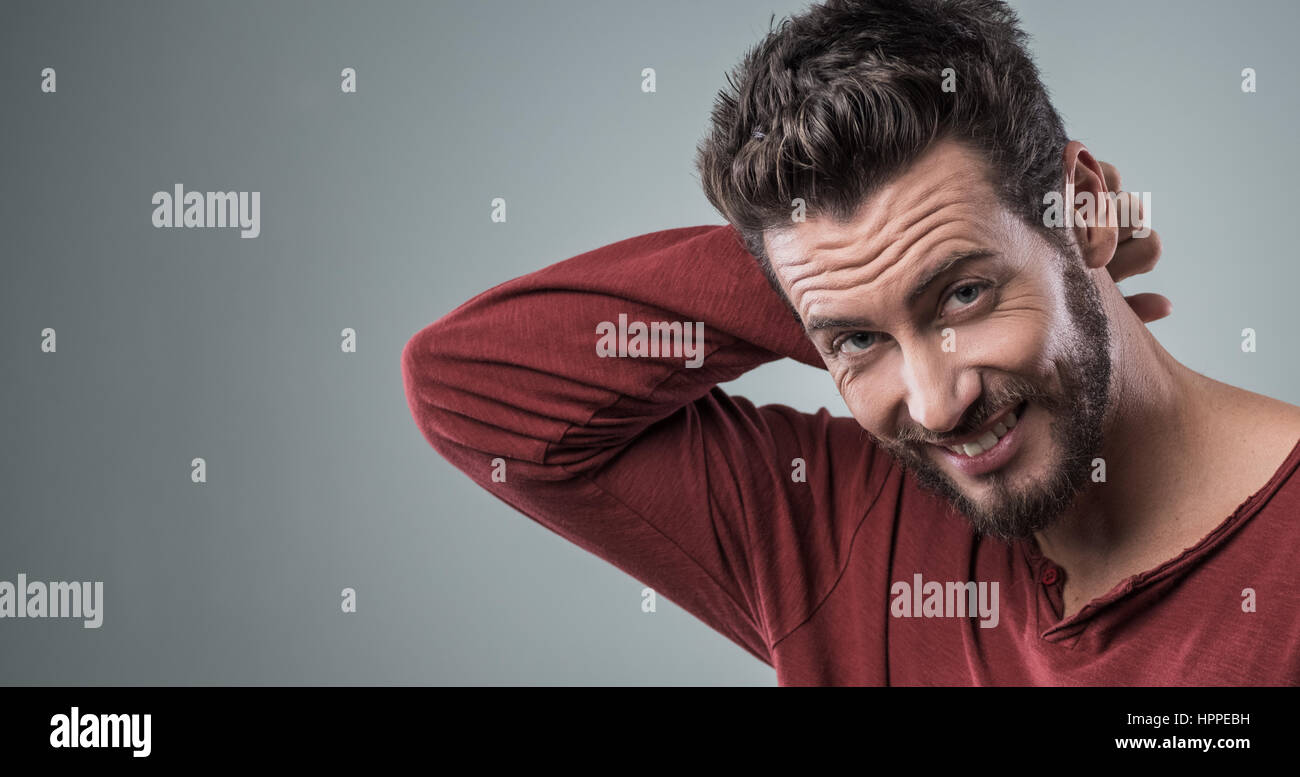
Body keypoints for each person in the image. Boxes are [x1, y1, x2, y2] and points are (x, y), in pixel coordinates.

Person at [402, 0, 1300, 684]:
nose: (939, 402)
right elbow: (468, 388)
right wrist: (814, 274)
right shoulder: (841, 522)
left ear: (1085, 212)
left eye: (964, 292)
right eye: (861, 342)